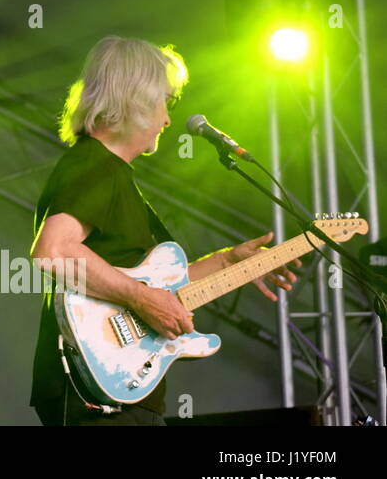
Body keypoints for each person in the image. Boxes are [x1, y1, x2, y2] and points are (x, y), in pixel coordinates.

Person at [29, 35, 298, 425]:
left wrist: (229, 261)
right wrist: (141, 300)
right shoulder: (93, 165)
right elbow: (53, 252)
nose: (168, 118)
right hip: (98, 393)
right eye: (166, 102)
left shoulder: (114, 176)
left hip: (122, 391)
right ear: (135, 97)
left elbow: (162, 286)